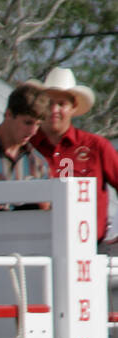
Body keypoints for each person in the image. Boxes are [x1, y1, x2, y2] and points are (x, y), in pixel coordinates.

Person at [30, 67, 118, 248]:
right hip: (35, 245)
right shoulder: (26, 147)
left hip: (89, 247)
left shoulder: (96, 146)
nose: (54, 110)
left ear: (73, 107)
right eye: (49, 103)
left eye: (61, 104)